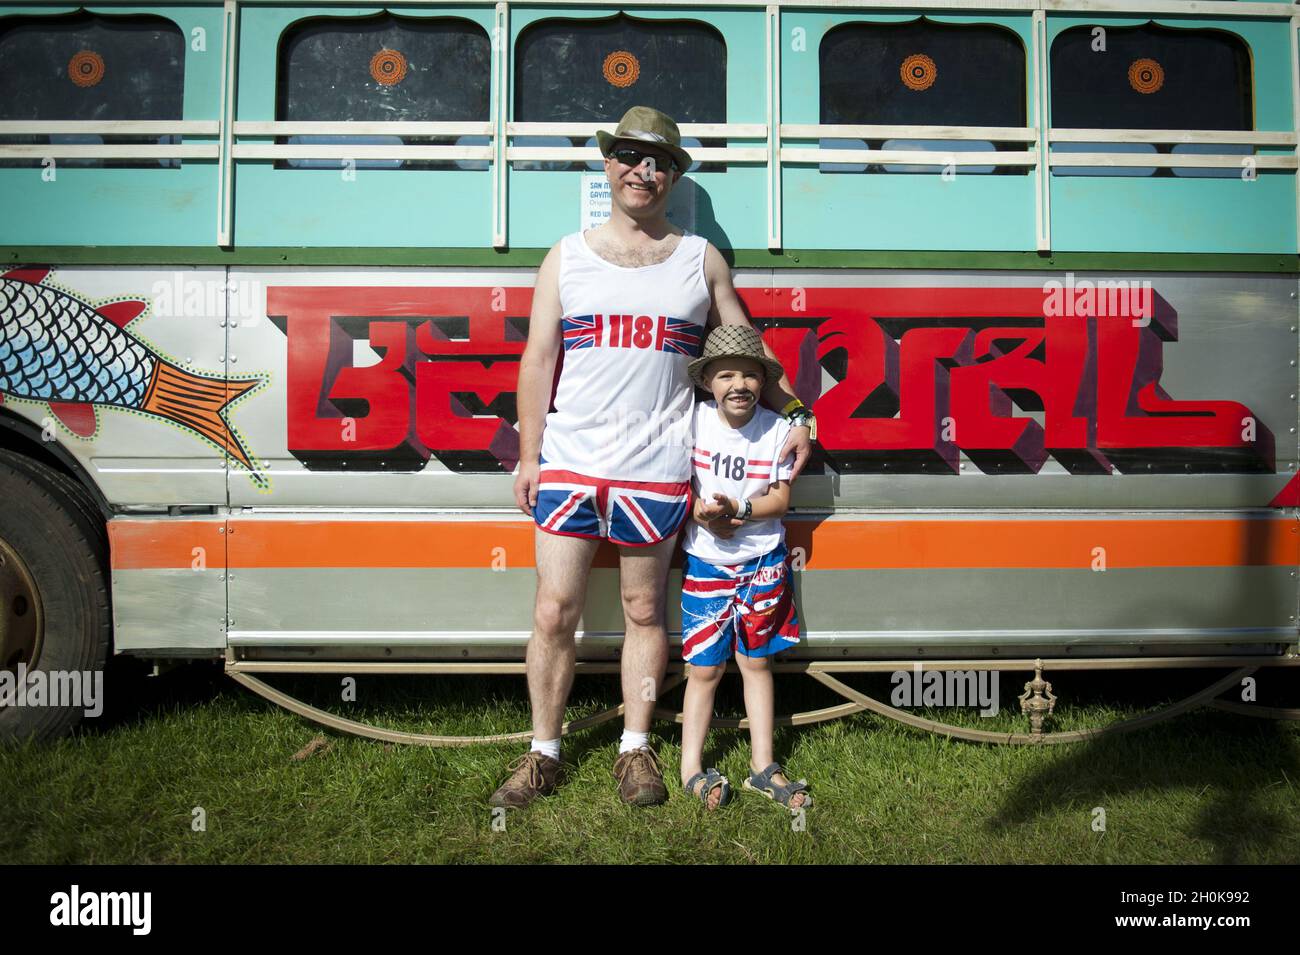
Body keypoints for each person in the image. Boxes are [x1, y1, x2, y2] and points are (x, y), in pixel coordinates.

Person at [490, 105, 816, 809]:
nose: (644, 170)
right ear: (608, 164)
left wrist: (795, 410)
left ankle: (635, 749)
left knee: (644, 609)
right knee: (553, 610)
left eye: (660, 160)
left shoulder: (700, 260)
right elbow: (538, 358)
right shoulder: (565, 256)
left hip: (657, 467)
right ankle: (544, 752)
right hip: (572, 461)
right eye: (631, 156)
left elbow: (748, 347)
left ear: (673, 174)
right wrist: (529, 455)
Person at [677, 325, 811, 812]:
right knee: (704, 669)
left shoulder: (778, 429)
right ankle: (691, 767)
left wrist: (742, 512)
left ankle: (762, 766)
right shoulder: (692, 421)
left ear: (764, 382)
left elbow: (780, 496)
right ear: (708, 381)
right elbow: (675, 483)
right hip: (707, 566)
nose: (740, 384)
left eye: (751, 375)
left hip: (763, 565)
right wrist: (700, 512)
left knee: (757, 664)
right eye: (727, 374)